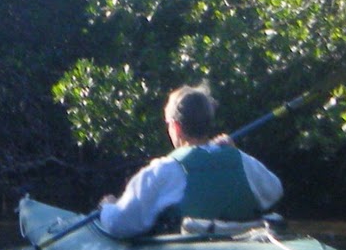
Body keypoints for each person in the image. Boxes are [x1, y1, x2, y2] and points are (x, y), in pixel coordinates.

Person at [96, 85, 282, 239]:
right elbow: (274, 190)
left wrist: (108, 207)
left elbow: (119, 224)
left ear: (176, 127)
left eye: (168, 123)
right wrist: (233, 153)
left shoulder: (165, 169)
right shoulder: (239, 158)